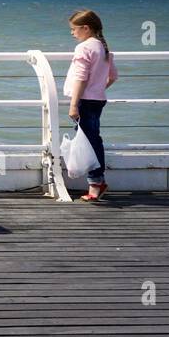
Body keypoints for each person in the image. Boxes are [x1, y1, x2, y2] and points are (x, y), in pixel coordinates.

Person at [64, 10, 118, 201]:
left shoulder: (84, 48)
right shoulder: (103, 47)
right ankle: (97, 182)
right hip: (97, 99)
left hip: (85, 101)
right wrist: (98, 88)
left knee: (88, 143)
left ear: (86, 28)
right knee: (93, 139)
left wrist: (73, 105)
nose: (72, 33)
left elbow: (80, 78)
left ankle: (96, 184)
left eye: (74, 29)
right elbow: (113, 76)